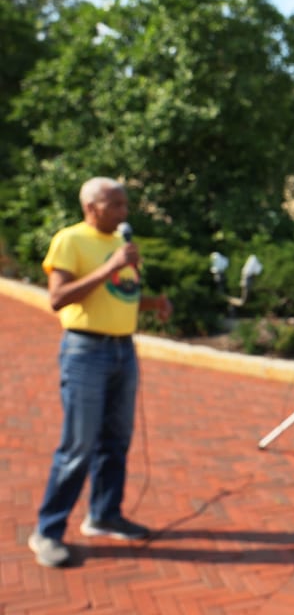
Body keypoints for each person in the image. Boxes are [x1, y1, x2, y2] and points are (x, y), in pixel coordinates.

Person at [28, 176, 173, 568]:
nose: (125, 212)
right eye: (117, 205)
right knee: (78, 446)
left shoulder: (119, 246)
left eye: (126, 205)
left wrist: (154, 302)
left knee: (116, 439)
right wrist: (110, 266)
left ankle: (104, 515)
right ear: (91, 207)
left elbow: (120, 294)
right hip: (86, 350)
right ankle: (47, 531)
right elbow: (58, 298)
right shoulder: (70, 241)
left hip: (123, 351)